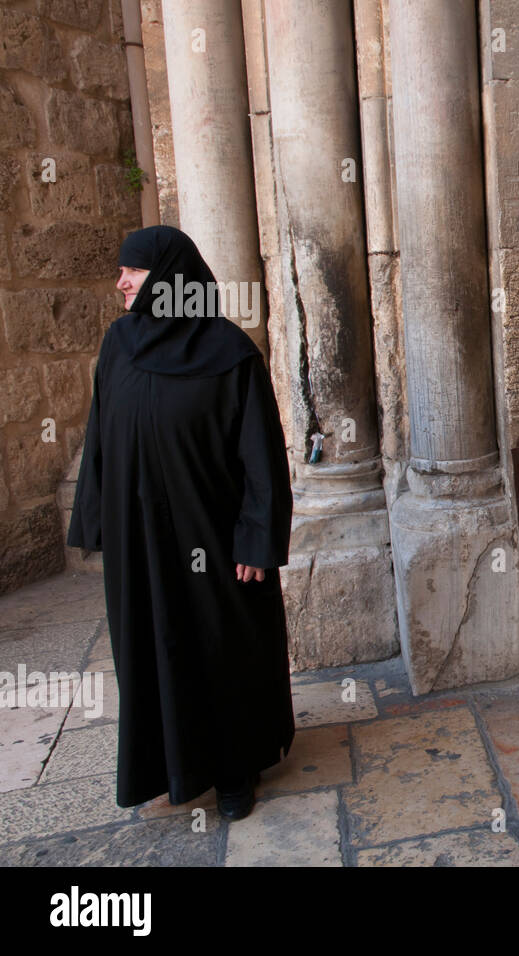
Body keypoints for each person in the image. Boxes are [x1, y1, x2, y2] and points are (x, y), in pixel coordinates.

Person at [68, 225, 296, 821]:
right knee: (154, 648)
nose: (120, 281)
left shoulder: (230, 353)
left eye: (134, 271)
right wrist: (97, 522)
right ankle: (170, 765)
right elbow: (101, 438)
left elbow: (261, 458)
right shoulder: (118, 345)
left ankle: (233, 770)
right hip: (139, 540)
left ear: (170, 278)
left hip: (214, 542)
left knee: (221, 648)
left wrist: (256, 537)